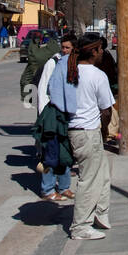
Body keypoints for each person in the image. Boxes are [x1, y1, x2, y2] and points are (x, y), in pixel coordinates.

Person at [47, 35, 115, 240]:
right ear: (93, 51)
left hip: (73, 129)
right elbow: (106, 109)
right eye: (100, 49)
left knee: (102, 173)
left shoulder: (70, 71)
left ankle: (100, 212)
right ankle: (80, 226)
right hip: (88, 131)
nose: (102, 53)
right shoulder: (97, 75)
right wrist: (104, 130)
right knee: (89, 179)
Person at [34, 33, 77, 201]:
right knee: (51, 154)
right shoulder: (53, 63)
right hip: (52, 115)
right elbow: (43, 90)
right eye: (63, 47)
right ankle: (48, 189)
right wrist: (43, 117)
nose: (65, 50)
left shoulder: (73, 63)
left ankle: (64, 187)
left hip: (65, 115)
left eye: (68, 47)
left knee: (65, 152)